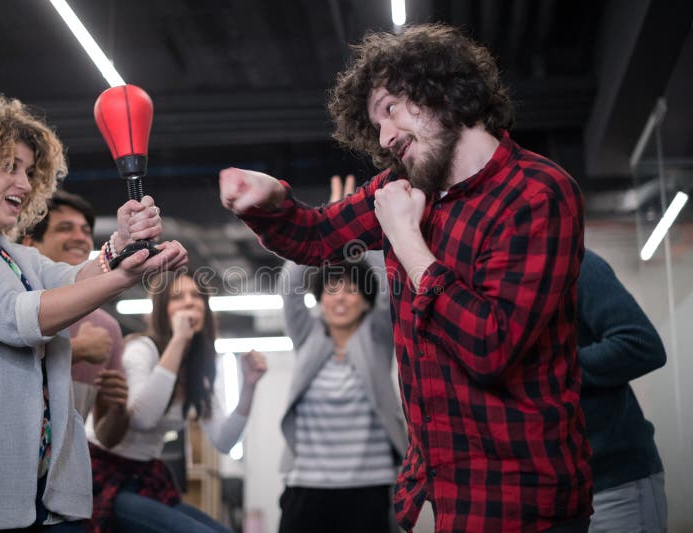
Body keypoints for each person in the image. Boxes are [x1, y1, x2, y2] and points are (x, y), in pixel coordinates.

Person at [219, 23, 592, 533]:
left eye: (390, 109)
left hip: (522, 498)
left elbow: (491, 347)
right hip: (438, 495)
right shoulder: (404, 187)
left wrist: (406, 240)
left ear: (441, 89)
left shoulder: (538, 192)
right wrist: (273, 201)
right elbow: (316, 238)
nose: (385, 137)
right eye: (375, 125)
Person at [0, 96, 187, 532]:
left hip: (44, 489)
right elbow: (16, 317)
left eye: (30, 172)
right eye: (10, 166)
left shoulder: (19, 258)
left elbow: (77, 279)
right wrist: (123, 277)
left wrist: (122, 241)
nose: (25, 182)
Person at [86, 270, 267, 533]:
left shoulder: (197, 369)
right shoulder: (142, 349)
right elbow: (143, 418)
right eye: (177, 297)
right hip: (104, 477)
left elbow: (224, 441)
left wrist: (249, 387)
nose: (190, 303)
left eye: (196, 296)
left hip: (144, 477)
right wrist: (179, 339)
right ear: (163, 311)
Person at [277, 175, 407, 533]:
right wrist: (326, 225)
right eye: (332, 289)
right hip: (307, 484)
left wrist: (353, 224)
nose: (341, 297)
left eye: (352, 290)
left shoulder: (377, 336)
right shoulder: (307, 336)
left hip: (369, 486)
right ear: (320, 298)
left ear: (365, 301)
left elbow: (385, 278)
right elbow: (289, 288)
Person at [22, 190, 130, 448]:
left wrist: (118, 408)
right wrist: (78, 350)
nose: (80, 238)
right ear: (29, 246)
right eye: (65, 228)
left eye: (85, 230)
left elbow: (108, 438)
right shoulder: (13, 309)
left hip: (67, 472)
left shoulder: (107, 328)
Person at [577, 249, 667, 532]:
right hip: (557, 493)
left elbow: (641, 344)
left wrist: (554, 369)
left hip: (616, 485)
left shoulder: (577, 265)